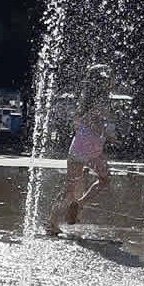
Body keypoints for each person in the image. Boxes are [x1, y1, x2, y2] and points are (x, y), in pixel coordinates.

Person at [47, 64, 115, 236]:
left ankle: (61, 216)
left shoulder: (86, 100)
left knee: (72, 187)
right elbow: (91, 121)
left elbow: (77, 120)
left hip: (83, 148)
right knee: (101, 180)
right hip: (89, 150)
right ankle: (72, 209)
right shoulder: (98, 100)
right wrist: (106, 133)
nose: (112, 81)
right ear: (103, 82)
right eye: (109, 78)